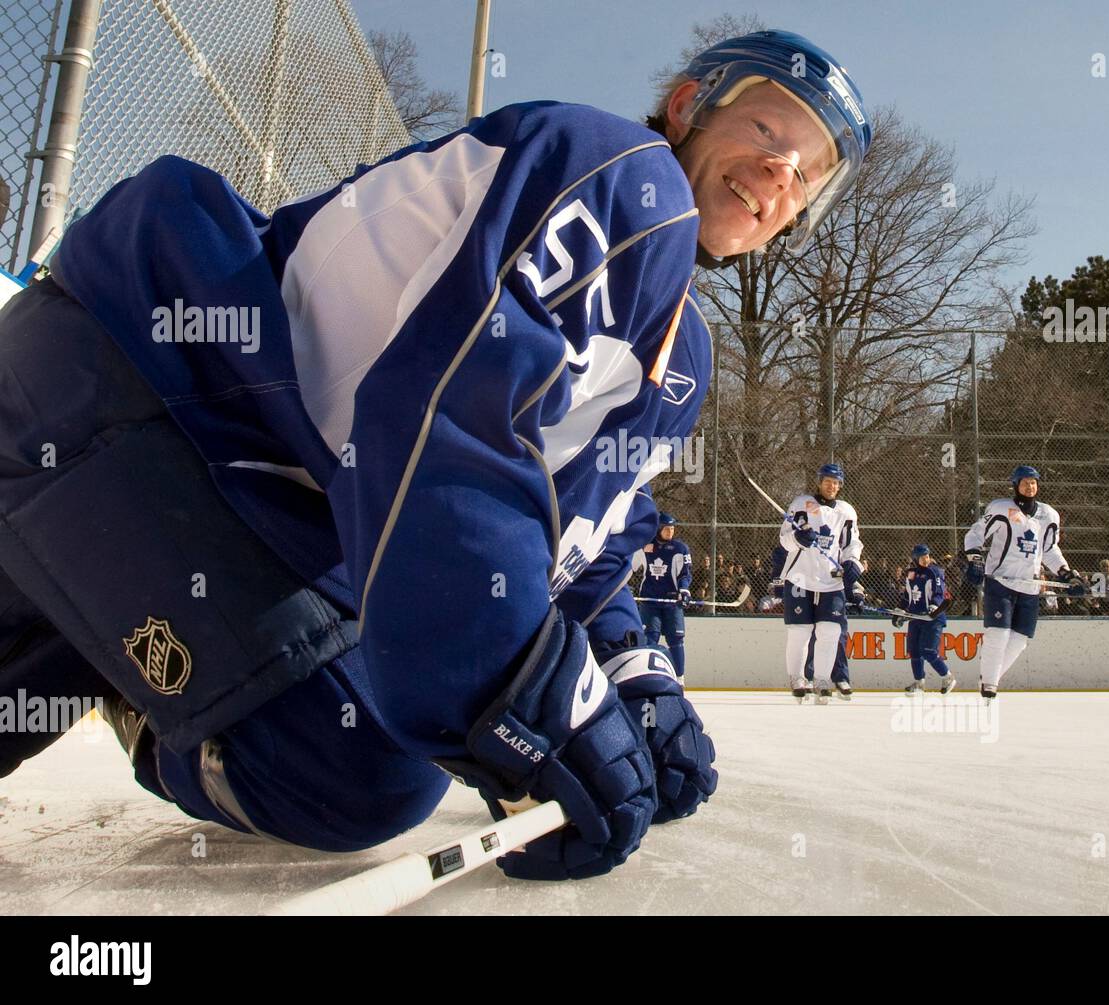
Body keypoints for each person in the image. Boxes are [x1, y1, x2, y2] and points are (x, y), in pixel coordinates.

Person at [0, 31, 871, 878]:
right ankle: (132, 681)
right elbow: (449, 419)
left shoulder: (681, 355)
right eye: (766, 132)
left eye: (807, 175)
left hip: (226, 498)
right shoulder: (625, 178)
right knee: (356, 766)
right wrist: (520, 691)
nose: (777, 175)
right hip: (141, 395)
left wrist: (626, 669)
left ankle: (100, 637)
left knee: (362, 760)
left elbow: (587, 535)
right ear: (688, 107)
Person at [963, 466, 1084, 702]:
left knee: (1019, 641)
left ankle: (989, 676)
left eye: (1034, 482)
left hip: (1029, 585)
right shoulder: (1000, 508)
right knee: (998, 634)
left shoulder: (1049, 516)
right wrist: (975, 560)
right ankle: (989, 685)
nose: (1031, 487)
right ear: (1016, 485)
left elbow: (1049, 549)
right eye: (1026, 482)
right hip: (1001, 581)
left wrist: (1066, 573)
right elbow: (975, 534)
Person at [778, 463, 863, 703]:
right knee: (799, 632)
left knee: (830, 631)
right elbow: (784, 540)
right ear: (819, 482)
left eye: (835, 482)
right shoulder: (802, 504)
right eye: (827, 481)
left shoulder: (846, 512)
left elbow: (851, 543)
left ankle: (823, 680)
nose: (831, 486)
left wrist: (852, 562)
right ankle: (797, 678)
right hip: (800, 577)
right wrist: (798, 539)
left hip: (831, 581)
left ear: (840, 485)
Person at [630, 513, 692, 680]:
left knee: (676, 639)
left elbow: (685, 574)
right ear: (658, 529)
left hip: (672, 602)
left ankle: (680, 679)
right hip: (650, 601)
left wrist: (684, 590)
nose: (670, 532)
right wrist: (623, 586)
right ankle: (651, 677)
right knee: (651, 638)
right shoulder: (645, 546)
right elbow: (630, 567)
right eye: (666, 529)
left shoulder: (680, 549)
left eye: (672, 529)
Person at [893, 544, 955, 694]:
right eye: (922, 557)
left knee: (928, 651)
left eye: (927, 556)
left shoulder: (935, 572)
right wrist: (900, 611)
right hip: (916, 617)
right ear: (915, 559)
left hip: (933, 618)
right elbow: (908, 596)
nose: (926, 560)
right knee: (914, 651)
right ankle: (919, 683)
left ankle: (947, 677)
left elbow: (939, 594)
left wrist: (934, 606)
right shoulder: (911, 574)